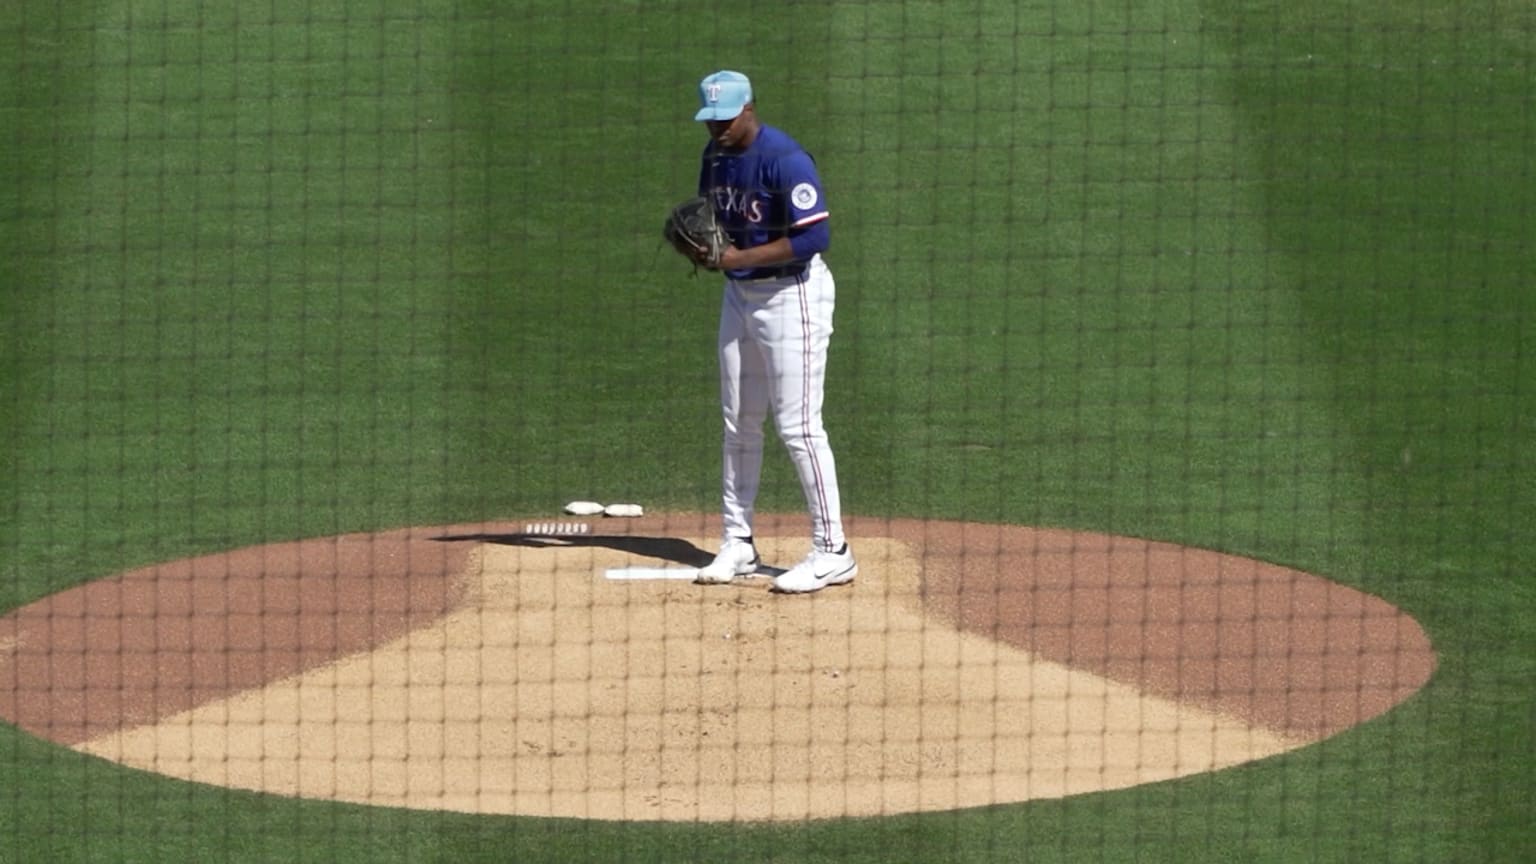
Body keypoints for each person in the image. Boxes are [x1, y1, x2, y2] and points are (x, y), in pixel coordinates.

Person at [686, 70, 857, 594]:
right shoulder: (714, 156)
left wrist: (737, 256)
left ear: (749, 109)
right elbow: (709, 217)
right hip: (739, 297)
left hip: (792, 297)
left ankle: (834, 551)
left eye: (725, 119)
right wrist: (704, 248)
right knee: (738, 421)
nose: (716, 128)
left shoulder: (785, 159)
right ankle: (738, 543)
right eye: (710, 119)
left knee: (799, 426)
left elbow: (815, 236)